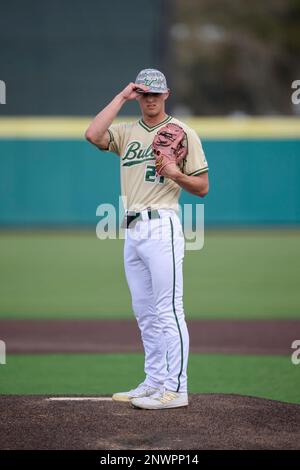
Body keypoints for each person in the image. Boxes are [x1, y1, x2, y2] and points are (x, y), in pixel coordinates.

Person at [85, 68, 209, 409]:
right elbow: (92, 134)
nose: (151, 99)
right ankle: (154, 381)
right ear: (138, 96)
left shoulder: (182, 132)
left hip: (163, 225)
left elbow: (203, 188)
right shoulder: (126, 133)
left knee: (169, 309)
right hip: (132, 230)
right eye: (144, 93)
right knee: (145, 312)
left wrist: (175, 173)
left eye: (156, 93)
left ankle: (177, 389)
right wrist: (121, 96)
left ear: (166, 94)